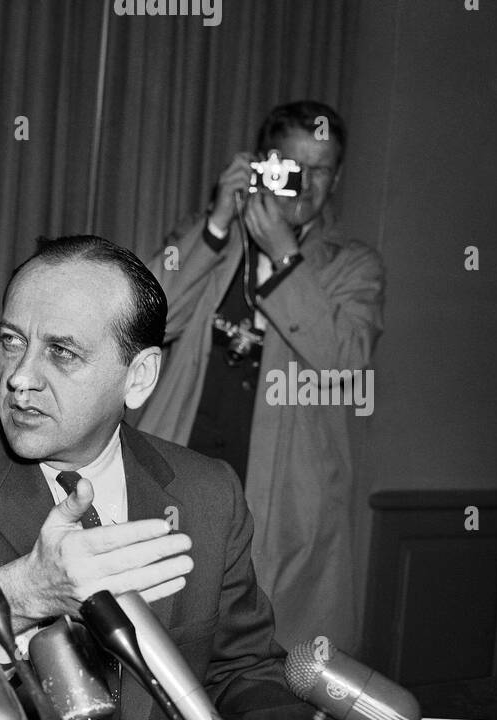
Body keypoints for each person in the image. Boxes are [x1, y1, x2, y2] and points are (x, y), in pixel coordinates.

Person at [0, 234, 292, 720]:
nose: (20, 377)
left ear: (139, 377)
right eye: (12, 341)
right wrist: (25, 591)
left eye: (61, 352)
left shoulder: (207, 492)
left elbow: (244, 671)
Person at [135, 101, 384, 651]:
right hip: (183, 476)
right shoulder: (216, 242)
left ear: (337, 177)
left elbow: (346, 366)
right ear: (262, 165)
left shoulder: (352, 264)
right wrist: (217, 224)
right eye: (292, 166)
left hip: (285, 501)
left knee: (270, 662)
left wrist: (286, 259)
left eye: (321, 170)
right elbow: (146, 317)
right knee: (159, 642)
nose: (305, 183)